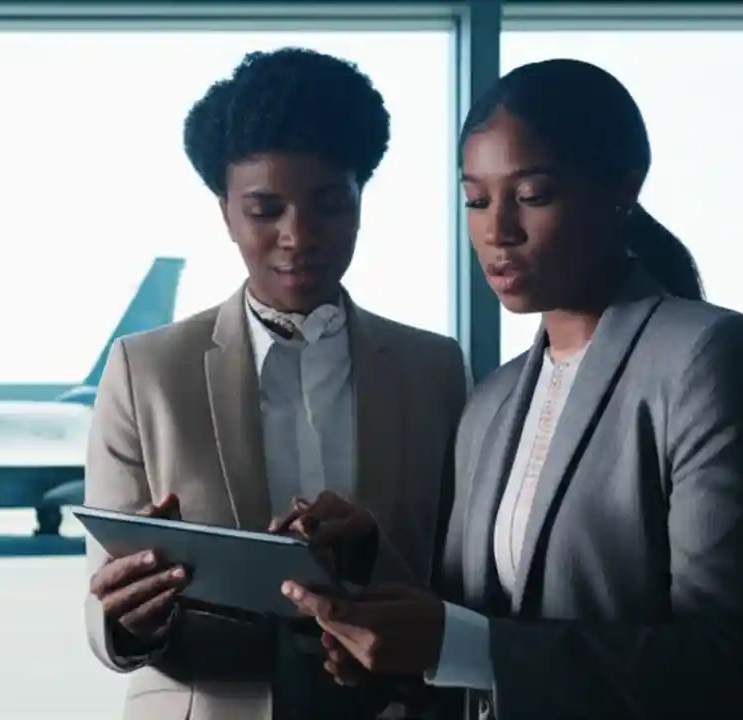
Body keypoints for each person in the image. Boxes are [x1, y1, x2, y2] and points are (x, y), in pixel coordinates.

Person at [283, 58, 743, 720]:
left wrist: (461, 645)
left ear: (623, 185)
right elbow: (474, 634)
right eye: (476, 200)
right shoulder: (493, 402)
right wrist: (370, 588)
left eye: (531, 195)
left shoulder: (710, 358)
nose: (496, 230)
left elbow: (729, 660)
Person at [82, 47, 470, 720]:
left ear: (360, 202)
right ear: (225, 212)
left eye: (328, 205)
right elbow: (101, 602)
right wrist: (130, 617)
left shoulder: (434, 369)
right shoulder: (144, 369)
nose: (299, 236)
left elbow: (461, 583)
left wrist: (366, 555)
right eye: (265, 210)